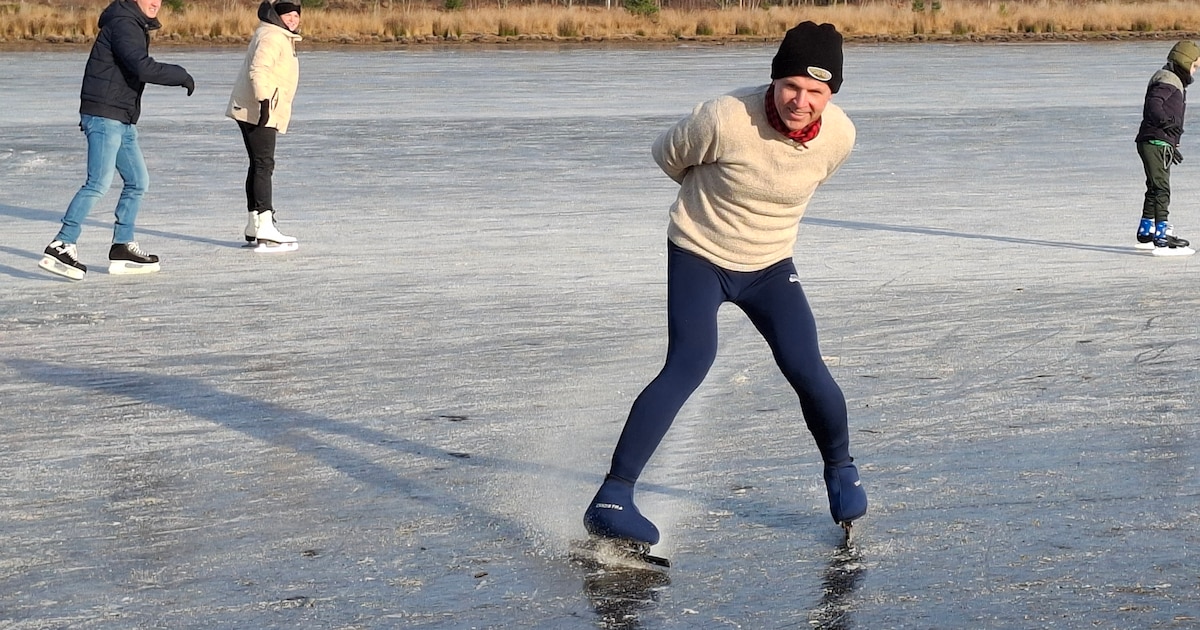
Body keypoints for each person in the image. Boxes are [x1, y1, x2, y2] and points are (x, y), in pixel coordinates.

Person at [583, 21, 868, 553]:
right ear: (774, 81)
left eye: (815, 92)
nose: (799, 101)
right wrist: (710, 210)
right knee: (689, 362)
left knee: (807, 366)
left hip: (769, 263)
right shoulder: (725, 118)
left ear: (830, 96)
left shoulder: (840, 136)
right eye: (790, 86)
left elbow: (800, 180)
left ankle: (842, 471)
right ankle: (612, 498)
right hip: (698, 254)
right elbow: (668, 156)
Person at [37, 0, 195, 281]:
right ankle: (62, 243)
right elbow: (142, 67)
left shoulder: (131, 23)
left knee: (138, 181)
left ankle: (122, 245)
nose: (155, 2)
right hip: (104, 115)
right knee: (98, 182)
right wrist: (180, 75)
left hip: (120, 116)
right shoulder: (124, 23)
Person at [226, 0, 302, 253]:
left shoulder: (277, 34)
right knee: (264, 164)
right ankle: (265, 224)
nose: (292, 20)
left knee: (258, 163)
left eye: (295, 16)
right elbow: (259, 69)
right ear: (277, 16)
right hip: (259, 109)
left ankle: (255, 222)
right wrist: (264, 102)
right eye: (287, 15)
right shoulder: (273, 36)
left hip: (254, 107)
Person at [1135, 40, 1200, 257]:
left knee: (1154, 186)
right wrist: (1167, 125)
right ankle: (1161, 235)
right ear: (1184, 60)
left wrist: (1172, 143)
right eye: (1194, 66)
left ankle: (1146, 231)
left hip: (1156, 141)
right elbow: (1154, 105)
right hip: (1156, 141)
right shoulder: (1169, 80)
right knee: (1162, 189)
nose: (1195, 71)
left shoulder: (1169, 78)